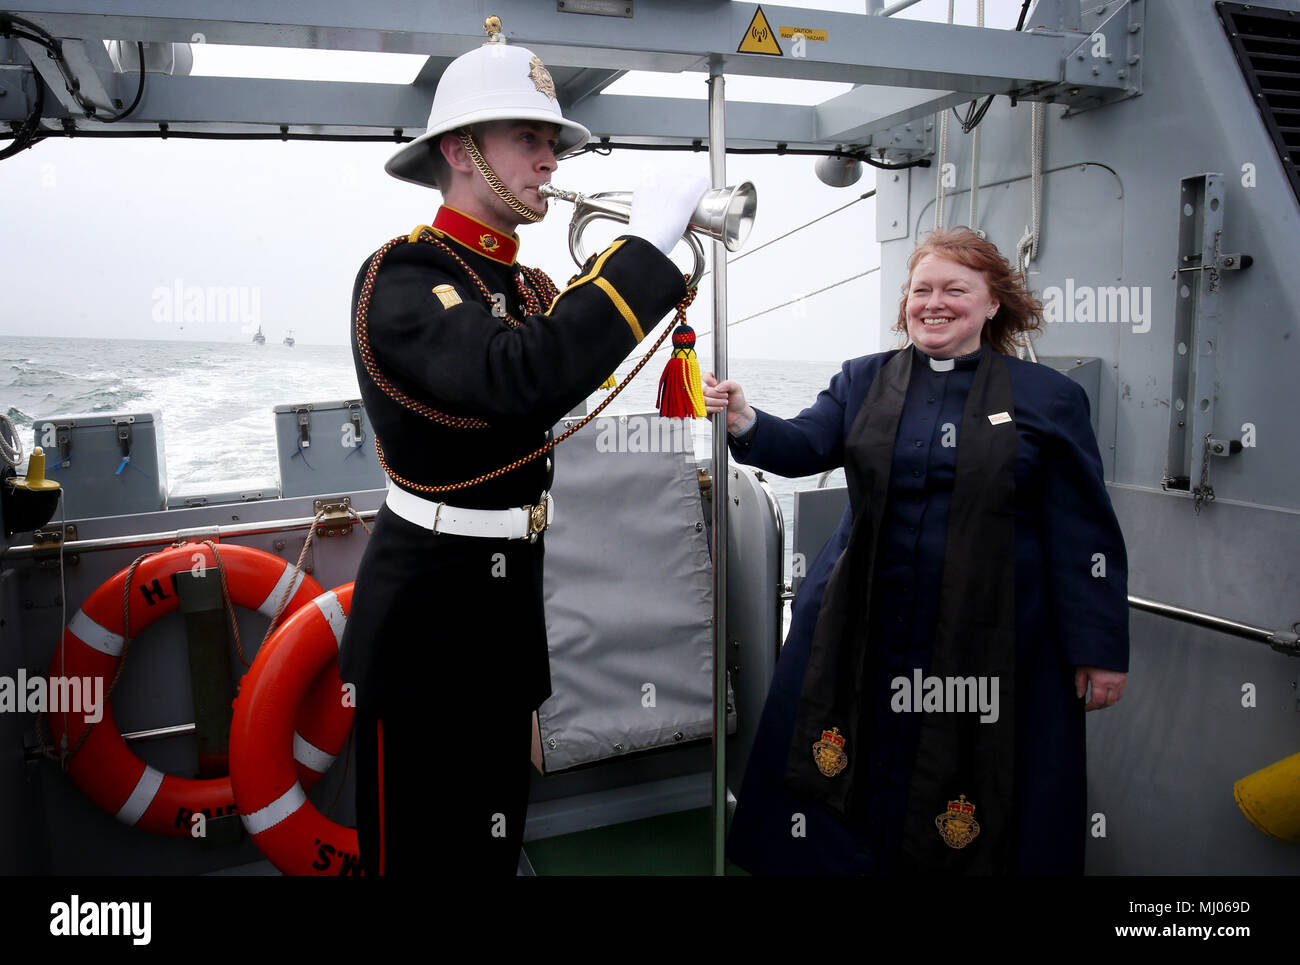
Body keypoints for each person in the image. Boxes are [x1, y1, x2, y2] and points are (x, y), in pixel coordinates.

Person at [339, 23, 709, 876]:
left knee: (491, 843)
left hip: (503, 618)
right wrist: (643, 252)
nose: (550, 162)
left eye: (552, 144)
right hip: (426, 627)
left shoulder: (522, 282)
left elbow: (559, 359)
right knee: (423, 856)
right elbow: (519, 377)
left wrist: (642, 265)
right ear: (462, 151)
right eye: (530, 139)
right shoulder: (402, 276)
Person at [703, 227, 1129, 875]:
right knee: (853, 769)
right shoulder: (862, 380)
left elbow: (1084, 534)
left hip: (995, 635)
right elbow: (804, 445)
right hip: (862, 624)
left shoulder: (1049, 398)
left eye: (956, 289)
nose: (935, 302)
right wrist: (746, 421)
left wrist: (1098, 648)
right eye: (921, 289)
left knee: (976, 781)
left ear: (993, 304)